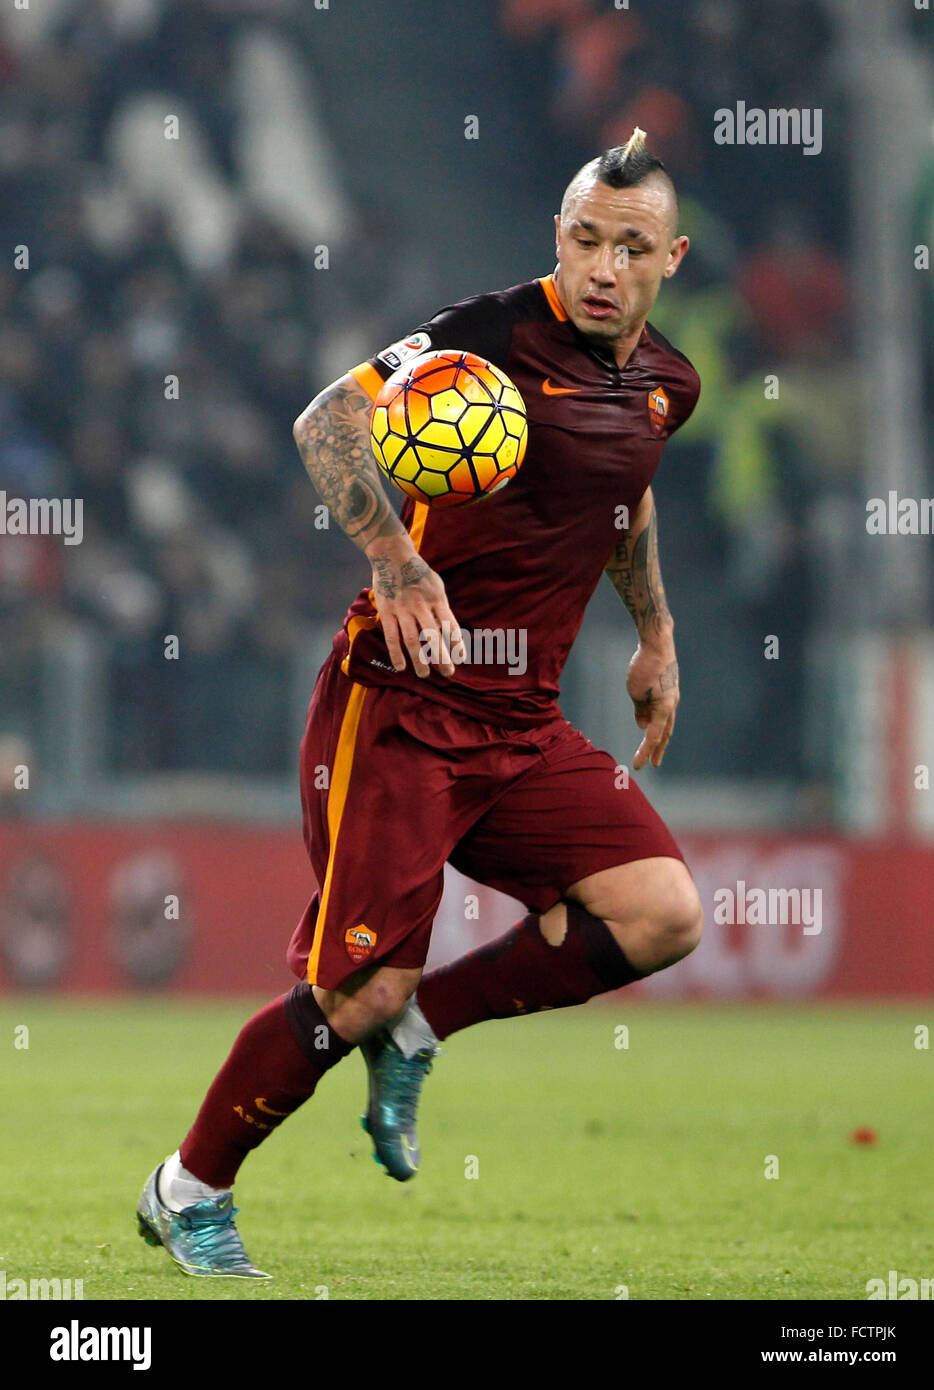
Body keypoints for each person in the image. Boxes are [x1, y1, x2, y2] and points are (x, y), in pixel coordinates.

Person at [136, 128, 704, 1278]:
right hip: (399, 703)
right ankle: (185, 1189)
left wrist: (653, 631)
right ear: (558, 236)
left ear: (670, 258)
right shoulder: (483, 337)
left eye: (628, 248)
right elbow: (325, 423)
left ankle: (423, 1026)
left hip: (523, 721)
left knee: (661, 914)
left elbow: (623, 504)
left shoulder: (667, 387)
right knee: (355, 981)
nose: (601, 266)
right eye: (584, 239)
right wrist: (396, 559)